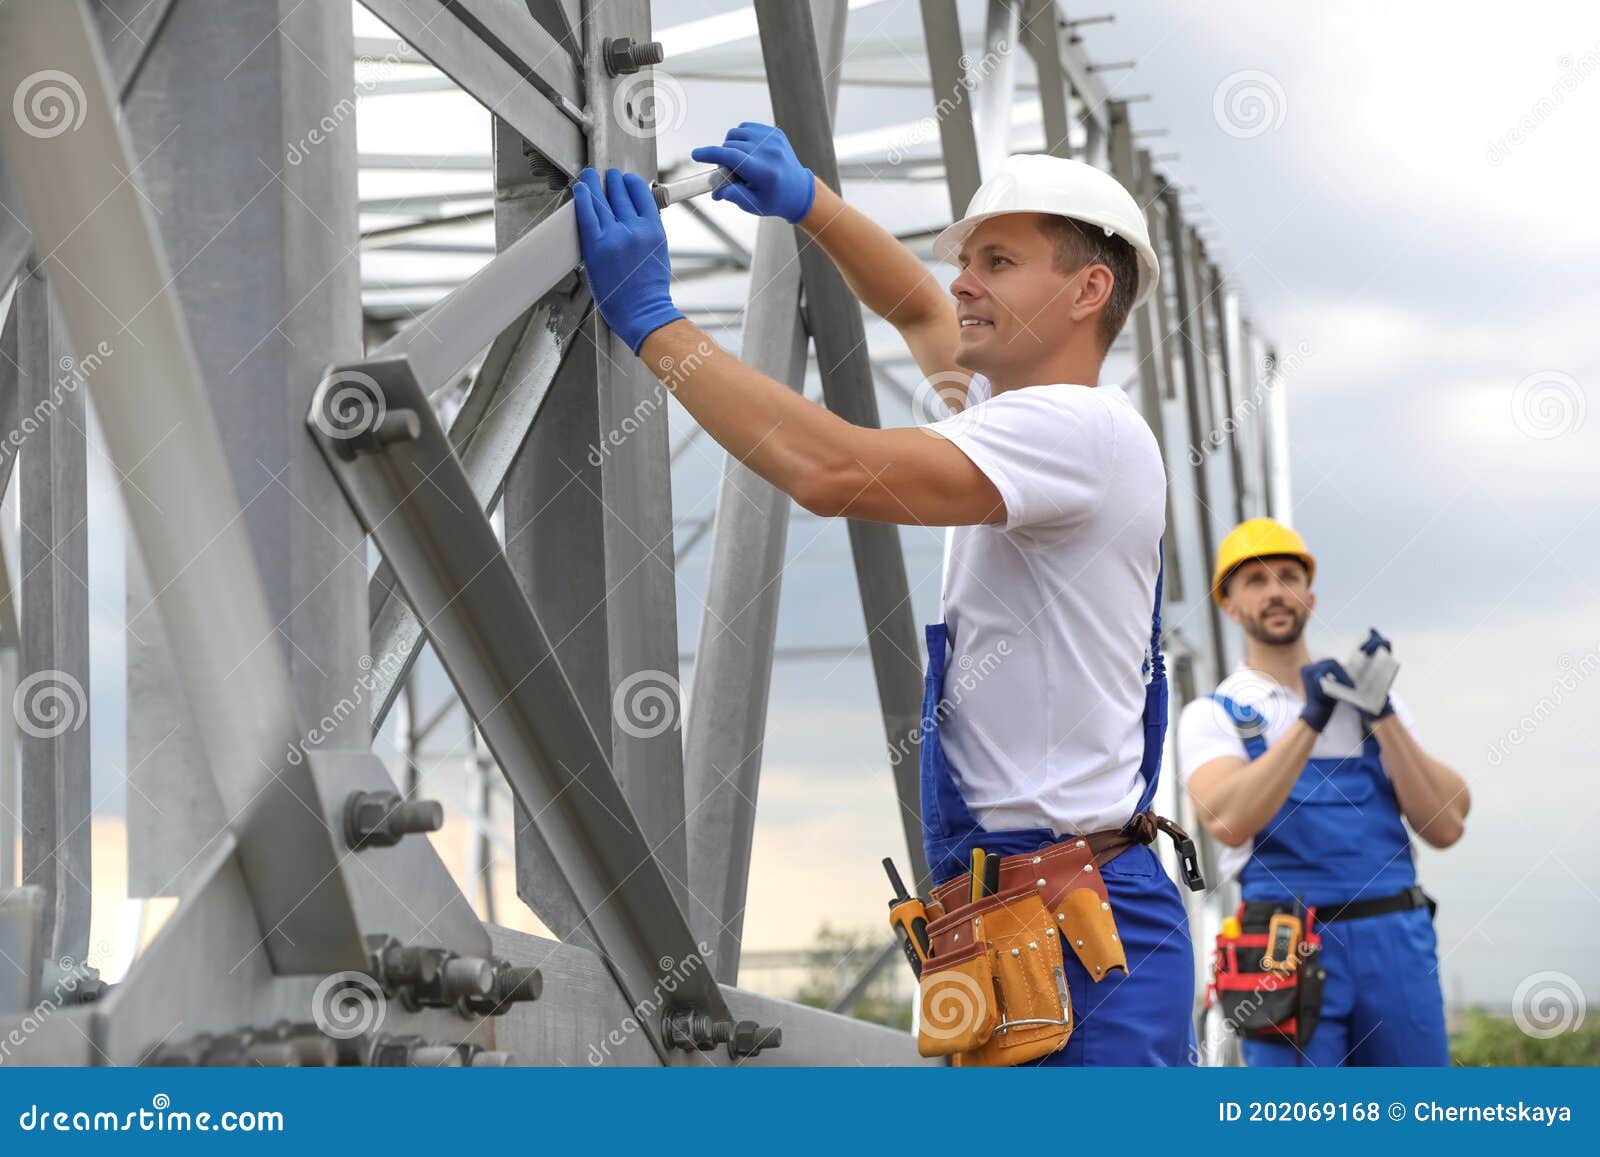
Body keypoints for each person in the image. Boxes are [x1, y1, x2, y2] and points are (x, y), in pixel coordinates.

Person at [572, 121, 1198, 1066]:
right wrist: (810, 202)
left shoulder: (1072, 435)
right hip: (1035, 919)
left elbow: (832, 470)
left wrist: (658, 324)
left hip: (1073, 933)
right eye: (968, 259)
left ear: (1088, 290)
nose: (962, 281)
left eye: (999, 260)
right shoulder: (1036, 416)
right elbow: (915, 309)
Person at [1179, 518, 1469, 1066]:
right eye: (1255, 582)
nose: (1275, 592)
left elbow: (1448, 823)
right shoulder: (1214, 715)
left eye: (1288, 577)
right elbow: (1228, 817)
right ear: (1229, 606)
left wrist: (1380, 714)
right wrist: (1309, 722)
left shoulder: (1371, 706)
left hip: (1396, 945)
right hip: (1282, 950)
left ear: (1309, 596)